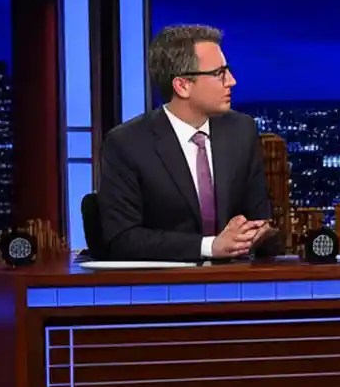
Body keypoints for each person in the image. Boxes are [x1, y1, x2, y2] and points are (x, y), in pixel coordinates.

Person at [98, 24, 279, 261]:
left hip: (234, 280)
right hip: (162, 288)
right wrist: (209, 246)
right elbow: (122, 239)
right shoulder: (127, 144)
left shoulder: (241, 131)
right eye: (219, 73)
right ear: (182, 85)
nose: (232, 81)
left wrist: (256, 233)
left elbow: (258, 216)